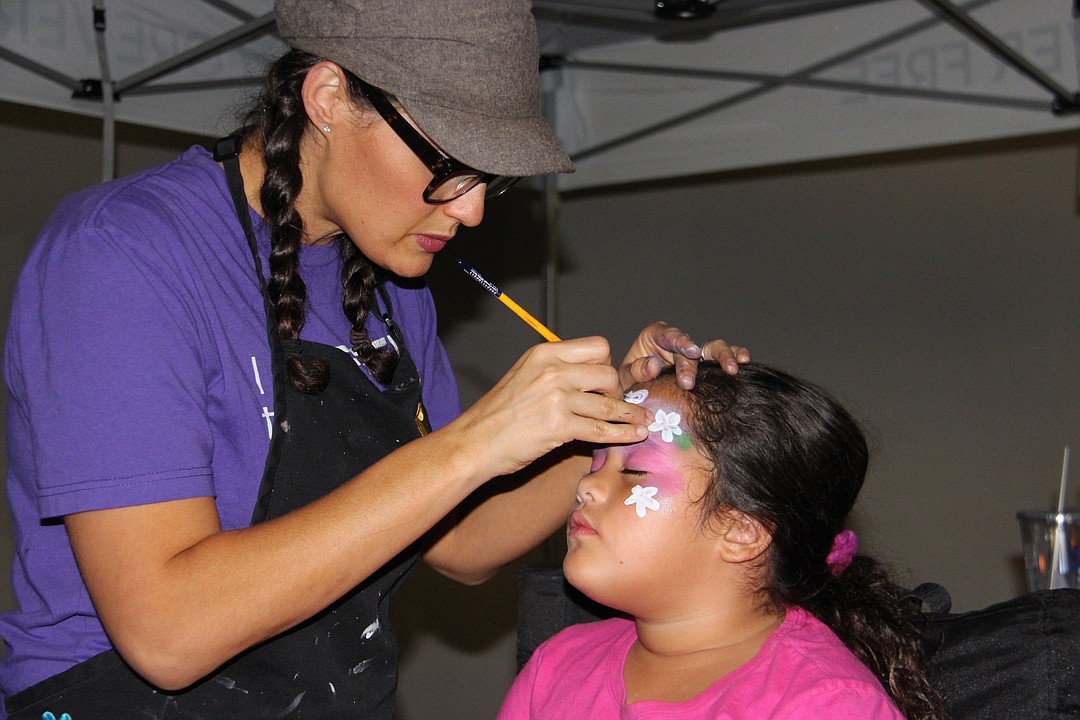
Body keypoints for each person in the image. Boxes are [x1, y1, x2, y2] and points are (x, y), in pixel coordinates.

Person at [0, 1, 750, 718]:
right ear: (327, 95)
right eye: (450, 162)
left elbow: (459, 542)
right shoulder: (123, 254)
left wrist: (611, 415)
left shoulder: (389, 281)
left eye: (492, 177)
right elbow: (166, 634)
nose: (472, 209)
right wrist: (472, 444)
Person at [497, 362, 950, 720]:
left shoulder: (825, 703)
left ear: (741, 532)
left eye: (634, 470)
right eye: (595, 465)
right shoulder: (558, 666)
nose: (586, 486)